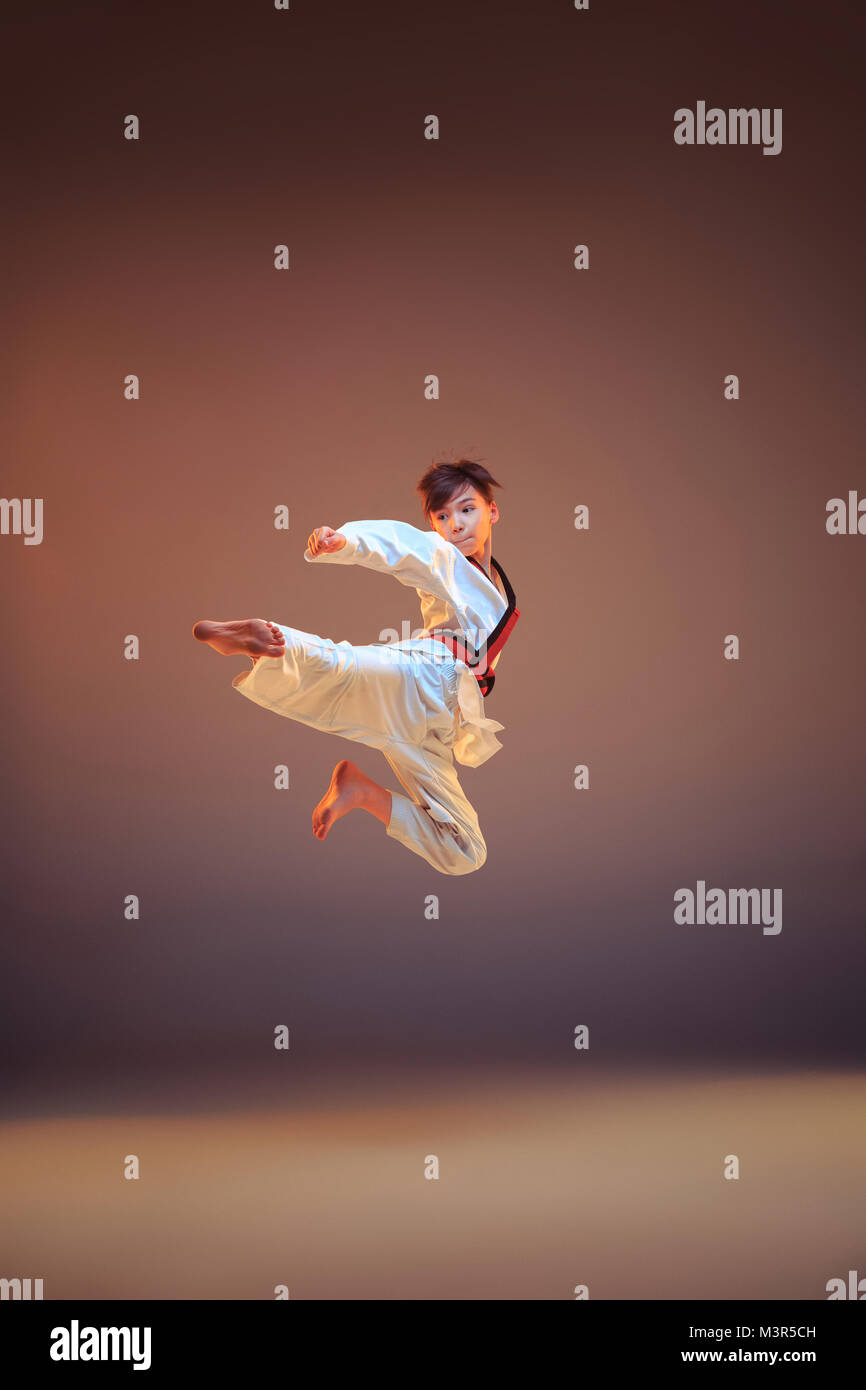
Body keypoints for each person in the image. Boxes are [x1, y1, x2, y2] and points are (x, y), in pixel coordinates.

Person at [192, 459, 520, 875]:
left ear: (492, 511)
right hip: (428, 674)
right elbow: (403, 547)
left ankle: (361, 791)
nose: (455, 524)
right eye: (442, 516)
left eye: (467, 509)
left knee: (465, 852)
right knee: (343, 668)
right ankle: (263, 639)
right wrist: (344, 542)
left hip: (438, 723)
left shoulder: (491, 580)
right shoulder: (444, 557)